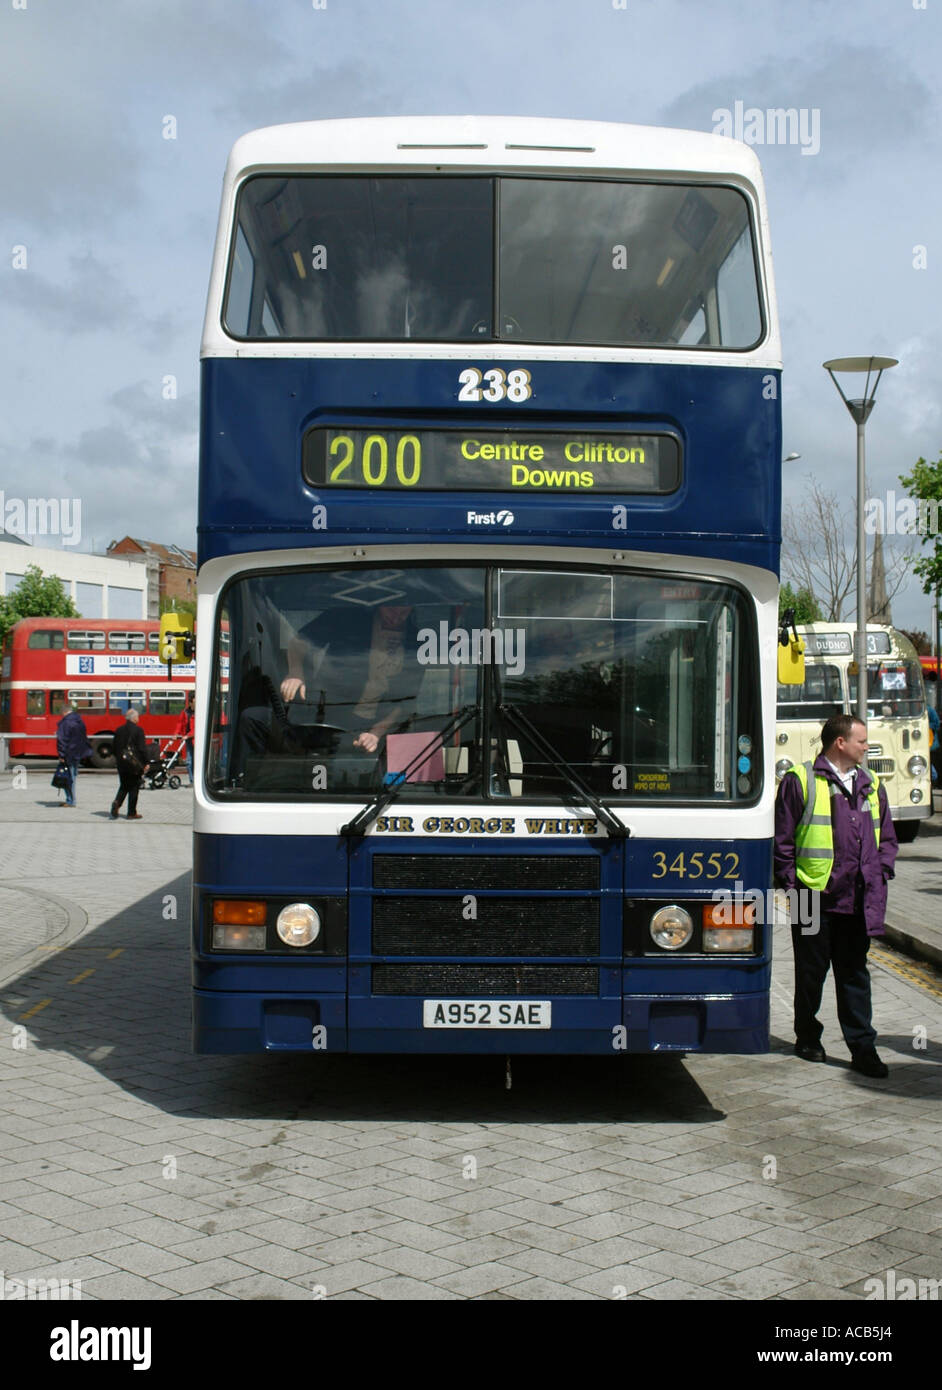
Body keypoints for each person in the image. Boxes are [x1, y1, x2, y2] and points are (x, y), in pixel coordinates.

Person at [774, 713, 898, 1078]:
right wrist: (791, 887)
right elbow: (783, 842)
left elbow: (886, 836)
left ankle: (863, 1048)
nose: (866, 746)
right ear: (840, 743)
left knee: (854, 975)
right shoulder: (801, 780)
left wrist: (882, 870)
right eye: (862, 740)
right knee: (811, 974)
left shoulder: (872, 783)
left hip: (857, 899)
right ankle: (808, 1037)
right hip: (812, 898)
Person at [233, 603, 421, 779]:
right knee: (252, 718)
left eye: (403, 611)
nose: (396, 617)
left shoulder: (416, 640)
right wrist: (296, 673)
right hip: (318, 711)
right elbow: (299, 642)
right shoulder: (348, 617)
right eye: (391, 610)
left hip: (361, 729)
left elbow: (404, 702)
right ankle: (247, 784)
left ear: (412, 607)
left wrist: (376, 734)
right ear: (380, 605)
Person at [111, 707, 150, 820]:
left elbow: (114, 747)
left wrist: (118, 759)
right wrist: (146, 762)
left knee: (124, 785)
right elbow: (142, 749)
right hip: (134, 764)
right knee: (134, 787)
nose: (138, 719)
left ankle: (117, 802)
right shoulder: (138, 730)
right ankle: (131, 812)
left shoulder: (119, 730)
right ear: (134, 718)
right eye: (137, 717)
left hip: (121, 763)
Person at [55, 702, 93, 808]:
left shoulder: (65, 723)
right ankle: (71, 799)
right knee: (73, 776)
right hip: (78, 753)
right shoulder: (79, 721)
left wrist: (61, 755)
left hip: (68, 754)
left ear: (64, 712)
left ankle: (71, 800)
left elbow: (62, 740)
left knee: (68, 777)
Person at [175, 693, 195, 785]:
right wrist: (175, 734)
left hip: (196, 740)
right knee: (189, 761)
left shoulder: (200, 712)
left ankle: (196, 781)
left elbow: (197, 728)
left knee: (196, 761)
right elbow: (180, 724)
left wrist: (188, 735)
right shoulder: (185, 712)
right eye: (193, 701)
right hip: (189, 740)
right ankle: (192, 780)